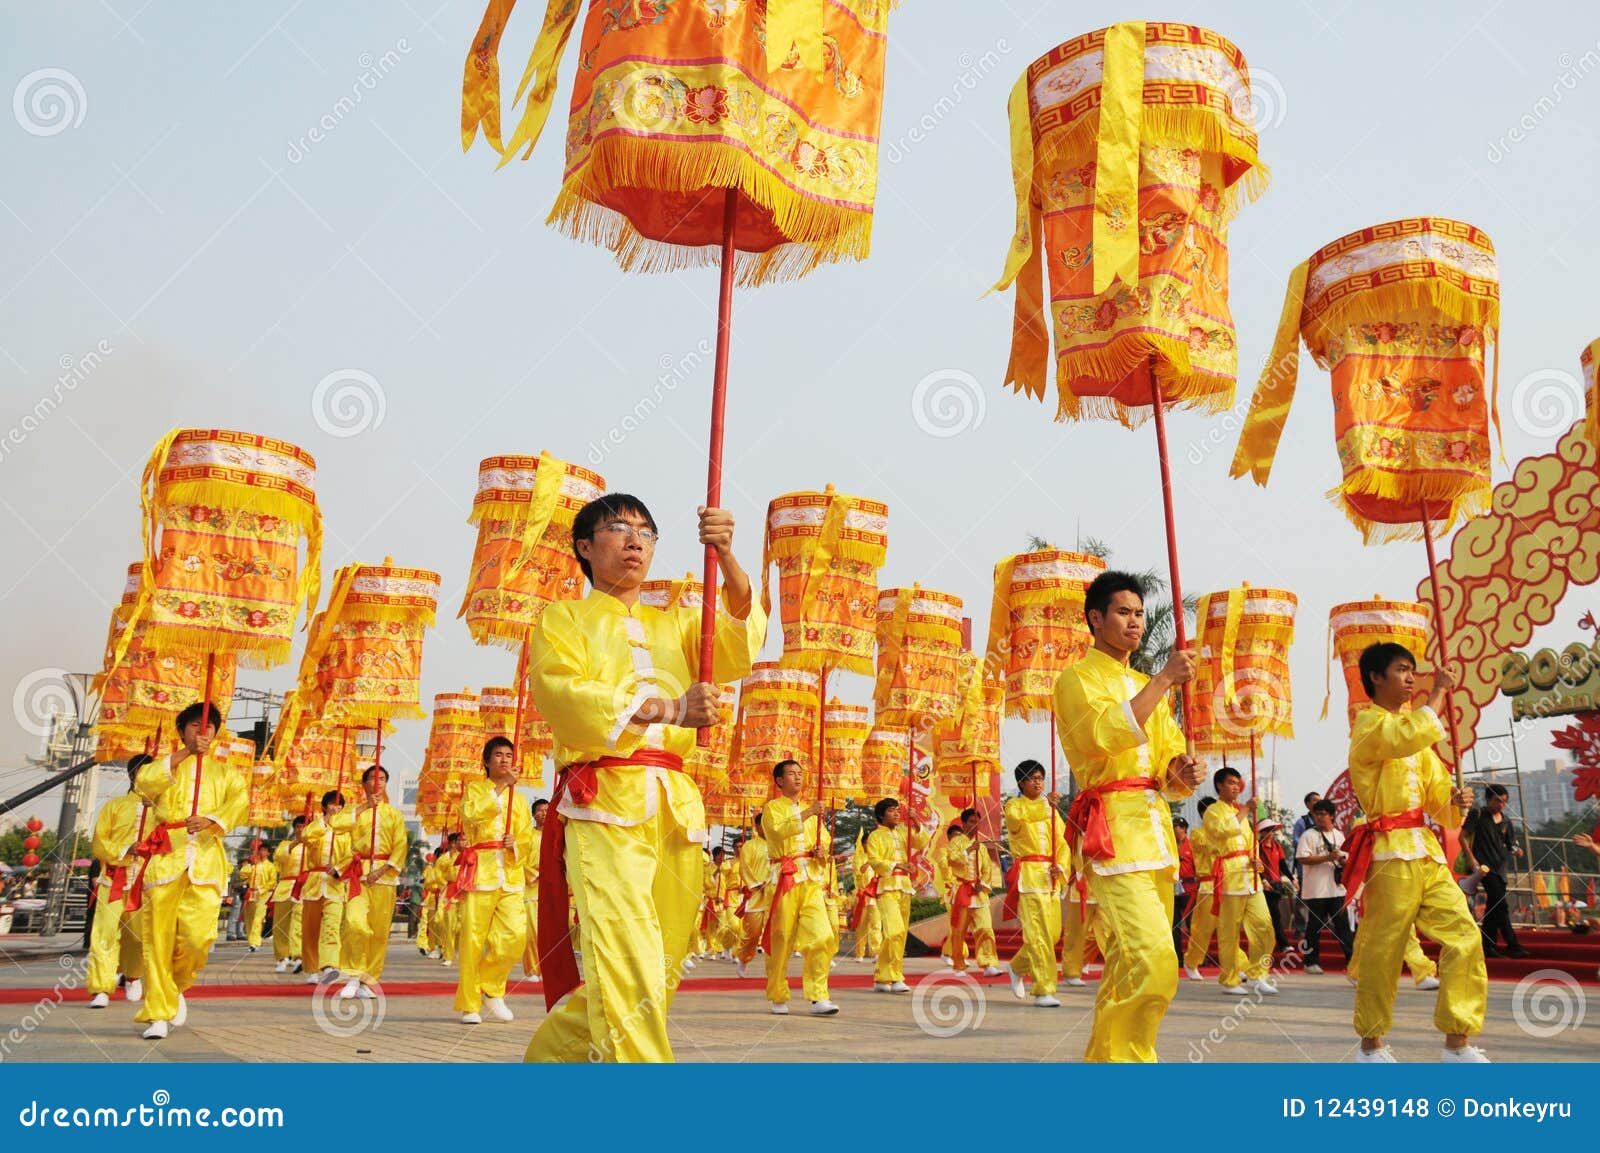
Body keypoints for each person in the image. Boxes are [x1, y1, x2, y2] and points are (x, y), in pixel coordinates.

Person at [525, 496, 765, 1063]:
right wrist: (668, 709)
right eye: (618, 528)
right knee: (627, 958)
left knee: (656, 969)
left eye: (646, 533)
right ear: (584, 547)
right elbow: (563, 695)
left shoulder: (677, 622)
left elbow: (737, 645)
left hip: (677, 809)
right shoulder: (562, 619)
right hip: (603, 801)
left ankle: (550, 1068)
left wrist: (727, 556)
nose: (635, 541)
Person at [1054, 571, 1203, 1061]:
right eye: (1124, 612)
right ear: (1095, 619)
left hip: (1155, 838)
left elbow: (1168, 771)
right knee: (1153, 964)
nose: (1136, 621)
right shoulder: (1076, 679)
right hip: (1112, 837)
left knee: (1126, 969)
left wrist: (1184, 769)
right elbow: (1102, 736)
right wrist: (1164, 679)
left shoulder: (1147, 686)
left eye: (1139, 613)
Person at [1343, 643, 1487, 1063]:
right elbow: (1401, 738)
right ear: (1376, 677)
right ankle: (1371, 1045)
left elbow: (1439, 806)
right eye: (1402, 670)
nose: (1410, 678)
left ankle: (1457, 1042)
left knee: (1464, 935)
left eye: (1413, 671)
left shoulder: (1419, 739)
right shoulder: (1367, 725)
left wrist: (1458, 800)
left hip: (1425, 852)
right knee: (1384, 950)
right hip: (1389, 854)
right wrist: (1438, 694)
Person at [128, 703, 248, 1039]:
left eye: (209, 726)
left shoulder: (227, 773)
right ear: (182, 730)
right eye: (195, 725)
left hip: (206, 859)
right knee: (157, 939)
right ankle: (157, 1013)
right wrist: (182, 754)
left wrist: (212, 820)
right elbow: (144, 784)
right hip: (166, 857)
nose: (203, 732)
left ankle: (176, 986)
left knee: (198, 938)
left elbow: (240, 803)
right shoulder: (165, 766)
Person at [453, 736, 534, 1024]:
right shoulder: (475, 790)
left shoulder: (521, 800)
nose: (504, 760)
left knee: (515, 936)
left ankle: (490, 986)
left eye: (509, 755)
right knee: (473, 940)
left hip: (510, 874)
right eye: (498, 755)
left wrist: (516, 843)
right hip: (482, 873)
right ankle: (470, 1004)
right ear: (486, 761)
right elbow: (471, 816)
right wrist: (501, 787)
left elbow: (526, 837)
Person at [757, 759, 839, 1015]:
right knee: (781, 939)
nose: (797, 777)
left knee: (822, 936)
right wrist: (809, 812)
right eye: (791, 774)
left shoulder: (812, 812)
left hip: (811, 880)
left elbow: (823, 841)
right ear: (779, 781)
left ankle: (819, 995)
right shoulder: (773, 808)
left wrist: (821, 851)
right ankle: (778, 993)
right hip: (784, 878)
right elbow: (778, 831)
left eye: (800, 773)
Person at [1202, 767, 1277, 996]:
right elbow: (1223, 831)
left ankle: (1257, 974)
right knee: (1229, 931)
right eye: (1231, 782)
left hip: (1250, 876)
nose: (1236, 786)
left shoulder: (1241, 813)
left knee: (1264, 925)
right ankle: (1230, 978)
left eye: (1238, 782)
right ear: (1219, 786)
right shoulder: (1213, 811)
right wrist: (1246, 809)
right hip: (1229, 875)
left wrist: (1258, 862)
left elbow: (1251, 841)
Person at [337, 765, 408, 1001]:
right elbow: (336, 825)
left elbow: (400, 846)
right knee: (355, 923)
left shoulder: (394, 815)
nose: (378, 782)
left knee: (379, 932)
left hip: (385, 877)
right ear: (364, 783)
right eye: (372, 778)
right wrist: (367, 806)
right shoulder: (355, 812)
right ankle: (352, 975)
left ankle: (369, 980)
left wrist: (383, 870)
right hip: (358, 875)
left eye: (382, 778)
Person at [1003, 759, 1070, 1007]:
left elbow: (1062, 844)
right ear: (1022, 783)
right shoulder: (1014, 806)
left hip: (1050, 878)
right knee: (1039, 935)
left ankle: (1017, 967)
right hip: (1029, 876)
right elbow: (1016, 821)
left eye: (1041, 778)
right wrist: (1046, 806)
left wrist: (1060, 866)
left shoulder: (1051, 811)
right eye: (1033, 778)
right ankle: (1044, 989)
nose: (1038, 782)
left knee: (1051, 935)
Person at [86, 756, 151, 1008]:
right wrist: (126, 848)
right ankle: (101, 987)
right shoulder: (114, 806)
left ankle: (133, 976)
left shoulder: (162, 810)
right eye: (144, 772)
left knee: (138, 935)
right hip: (113, 878)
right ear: (133, 775)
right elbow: (99, 843)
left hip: (145, 881)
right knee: (104, 933)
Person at [866, 797, 928, 993]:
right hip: (887, 887)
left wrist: (916, 820)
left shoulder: (903, 832)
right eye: (891, 810)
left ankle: (884, 975)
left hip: (905, 887)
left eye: (897, 810)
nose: (896, 813)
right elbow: (875, 861)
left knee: (899, 934)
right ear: (881, 815)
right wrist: (898, 865)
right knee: (894, 931)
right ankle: (894, 976)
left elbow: (921, 842)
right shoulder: (876, 836)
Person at [1462, 784, 1528, 958]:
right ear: (1488, 800)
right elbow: (1462, 837)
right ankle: (1512, 944)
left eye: (1504, 801)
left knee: (1495, 905)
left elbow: (1511, 844)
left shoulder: (1506, 821)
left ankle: (1488, 946)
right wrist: (1470, 857)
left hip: (1501, 868)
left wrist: (1517, 850)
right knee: (1502, 905)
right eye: (1497, 801)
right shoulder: (1477, 814)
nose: (1501, 805)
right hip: (1483, 867)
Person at [299, 790, 351, 985]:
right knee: (310, 928)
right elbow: (305, 837)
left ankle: (329, 966)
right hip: (313, 882)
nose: (335, 808)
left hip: (335, 883)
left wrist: (338, 868)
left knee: (331, 925)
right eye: (332, 804)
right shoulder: (315, 826)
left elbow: (351, 854)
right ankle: (311, 968)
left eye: (339, 805)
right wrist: (325, 820)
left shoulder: (346, 832)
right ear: (324, 806)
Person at [1296, 799, 1353, 973]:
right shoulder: (1308, 835)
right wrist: (1326, 858)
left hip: (1336, 889)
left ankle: (1352, 961)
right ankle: (1310, 962)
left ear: (1332, 816)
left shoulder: (1339, 835)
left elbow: (1346, 858)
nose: (1319, 818)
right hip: (1316, 890)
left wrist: (1342, 860)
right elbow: (1302, 858)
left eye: (1323, 814)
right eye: (1316, 814)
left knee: (1343, 927)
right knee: (1314, 927)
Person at [1183, 797, 1220, 981]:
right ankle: (1191, 961)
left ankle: (1239, 965)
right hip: (1207, 885)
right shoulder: (1198, 834)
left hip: (1227, 884)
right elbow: (1212, 849)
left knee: (1229, 928)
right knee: (1203, 928)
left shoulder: (1224, 832)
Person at [732, 814, 770, 977]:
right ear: (757, 826)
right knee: (753, 934)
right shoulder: (750, 846)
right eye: (763, 824)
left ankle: (774, 968)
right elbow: (744, 868)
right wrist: (756, 884)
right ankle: (743, 957)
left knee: (778, 933)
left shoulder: (779, 844)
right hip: (756, 895)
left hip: (776, 893)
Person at [270, 817, 306, 973]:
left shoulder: (313, 845)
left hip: (305, 887)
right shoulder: (285, 844)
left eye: (304, 826)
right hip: (285, 886)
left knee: (298, 923)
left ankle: (298, 956)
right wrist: (295, 843)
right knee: (280, 925)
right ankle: (282, 957)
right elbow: (279, 858)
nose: (300, 829)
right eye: (298, 826)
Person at [521, 799, 548, 977]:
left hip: (551, 889)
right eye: (540, 810)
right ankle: (531, 970)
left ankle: (546, 970)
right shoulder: (527, 836)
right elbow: (520, 861)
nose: (544, 813)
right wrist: (536, 874)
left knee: (549, 935)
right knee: (532, 933)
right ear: (533, 814)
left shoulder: (557, 834)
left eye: (547, 810)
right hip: (532, 888)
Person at [849, 828, 881, 962]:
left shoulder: (878, 857)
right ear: (863, 844)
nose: (870, 845)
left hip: (875, 896)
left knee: (876, 924)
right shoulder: (858, 858)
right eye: (868, 843)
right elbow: (859, 872)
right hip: (863, 895)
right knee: (861, 926)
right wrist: (869, 862)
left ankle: (876, 952)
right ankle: (860, 953)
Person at [240, 842, 276, 952]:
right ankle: (251, 942)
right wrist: (250, 864)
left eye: (265, 850)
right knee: (249, 918)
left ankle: (256, 942)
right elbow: (242, 874)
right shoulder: (253, 865)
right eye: (261, 850)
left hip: (263, 896)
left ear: (268, 853)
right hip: (251, 894)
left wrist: (261, 889)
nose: (262, 852)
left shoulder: (271, 866)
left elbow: (272, 882)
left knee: (257, 918)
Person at [1172, 815, 1196, 961]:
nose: (1173, 829)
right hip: (1173, 889)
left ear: (1183, 829)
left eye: (1175, 827)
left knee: (1193, 924)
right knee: (1174, 925)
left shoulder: (1192, 845)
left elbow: (1199, 866)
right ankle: (1177, 957)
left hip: (1189, 889)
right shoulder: (1169, 846)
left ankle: (1196, 957)